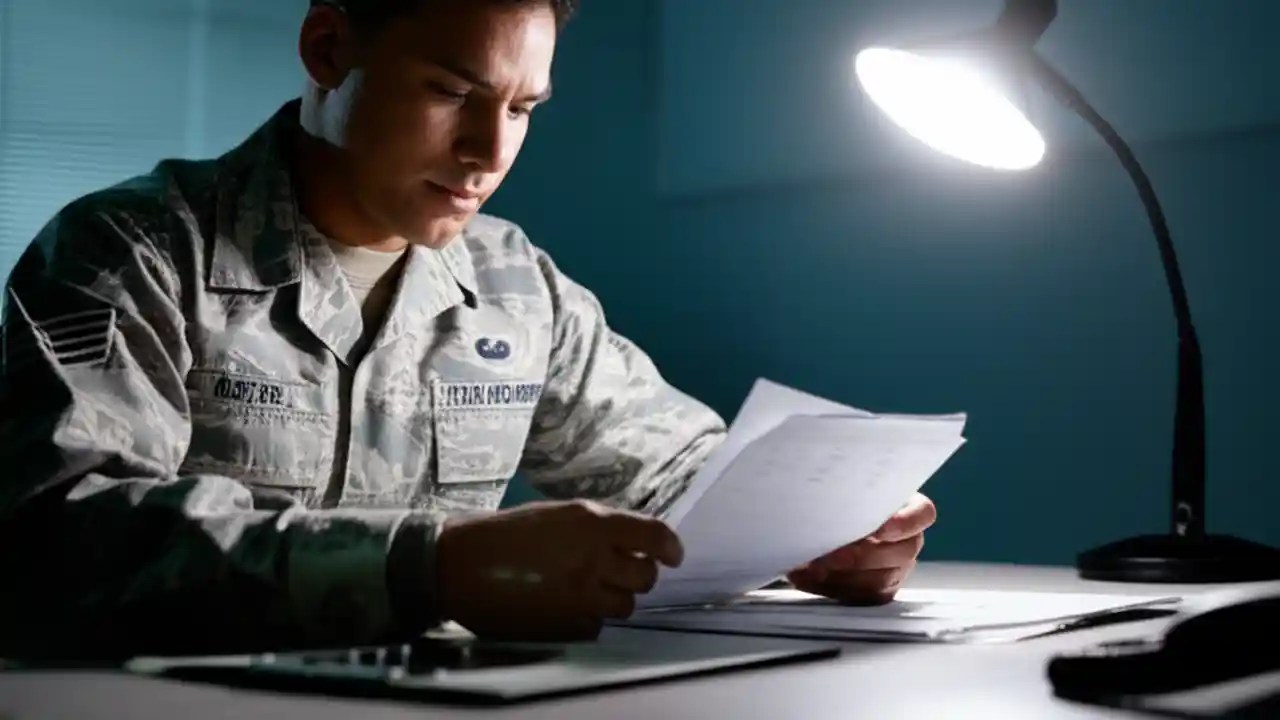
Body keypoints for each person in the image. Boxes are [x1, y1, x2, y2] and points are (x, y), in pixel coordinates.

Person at [0, 0, 936, 657]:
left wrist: (817, 533)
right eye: (452, 92)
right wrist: (437, 567)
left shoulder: (511, 281)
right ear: (328, 50)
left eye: (522, 109)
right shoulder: (131, 251)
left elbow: (680, 479)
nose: (490, 153)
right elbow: (62, 542)